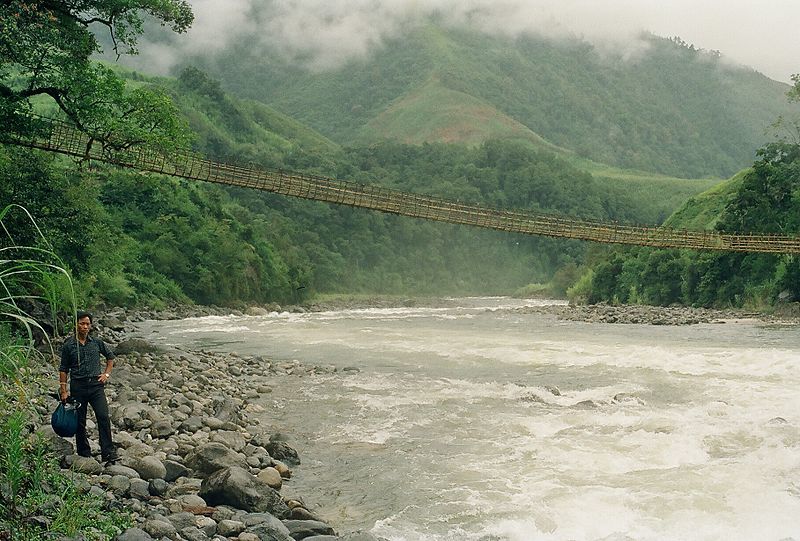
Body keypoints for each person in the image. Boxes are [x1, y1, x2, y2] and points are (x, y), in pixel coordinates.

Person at [59, 311, 118, 464]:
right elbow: (63, 369)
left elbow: (110, 357)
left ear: (90, 326)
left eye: (87, 324)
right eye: (82, 323)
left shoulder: (96, 342)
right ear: (76, 325)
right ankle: (84, 452)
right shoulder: (69, 345)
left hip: (96, 386)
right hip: (78, 386)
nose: (85, 326)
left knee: (103, 416)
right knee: (80, 421)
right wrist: (64, 390)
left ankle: (108, 453)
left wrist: (106, 374)